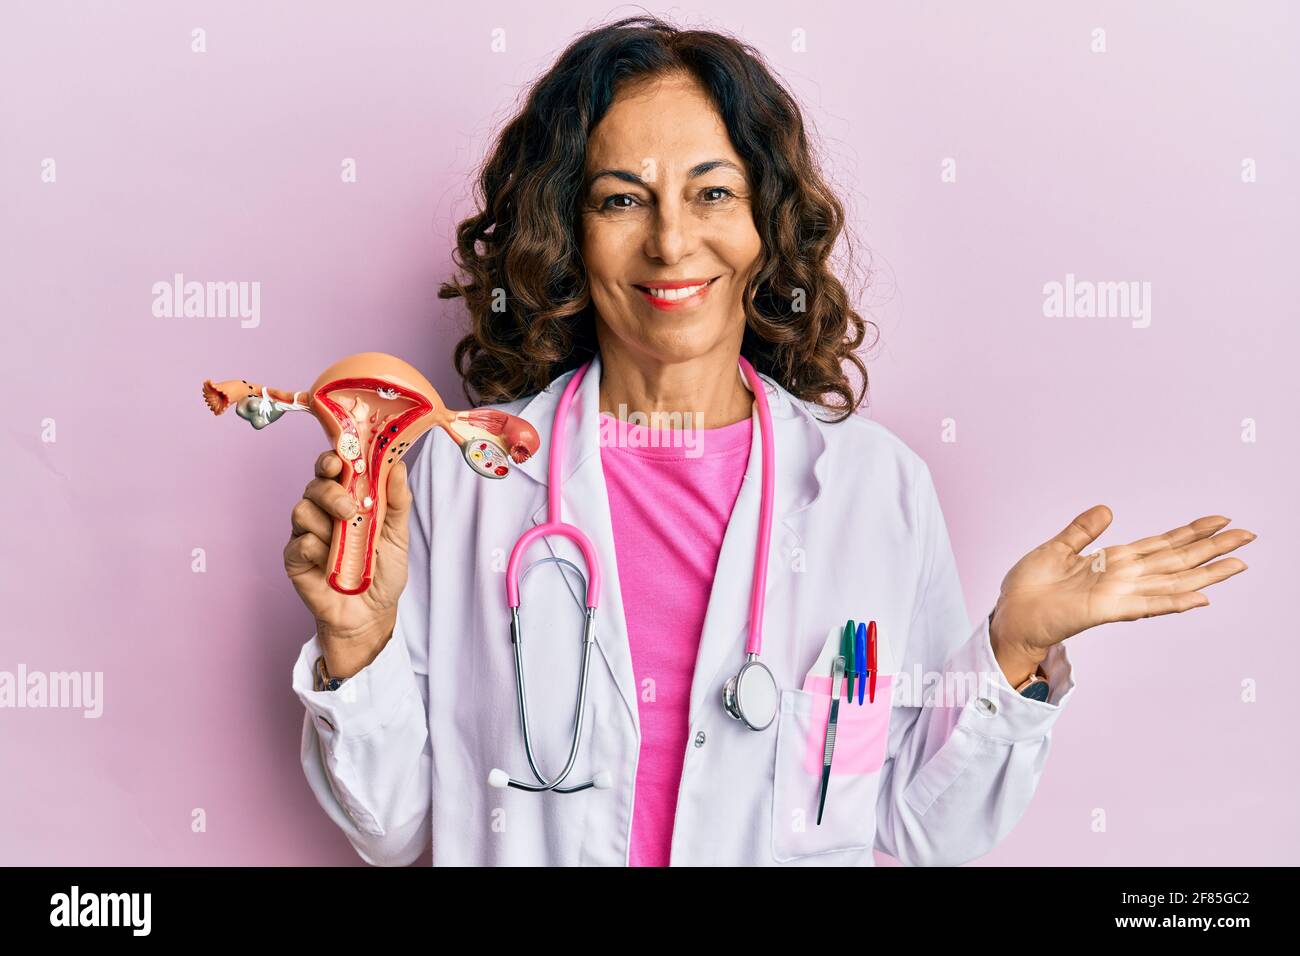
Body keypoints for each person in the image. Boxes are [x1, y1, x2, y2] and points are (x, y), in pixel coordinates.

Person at [284, 17, 1253, 866]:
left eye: (712, 193)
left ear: (765, 223)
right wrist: (356, 643)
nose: (672, 242)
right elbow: (392, 827)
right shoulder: (468, 480)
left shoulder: (873, 490)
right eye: (621, 199)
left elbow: (926, 830)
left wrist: (1012, 649)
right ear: (567, 233)